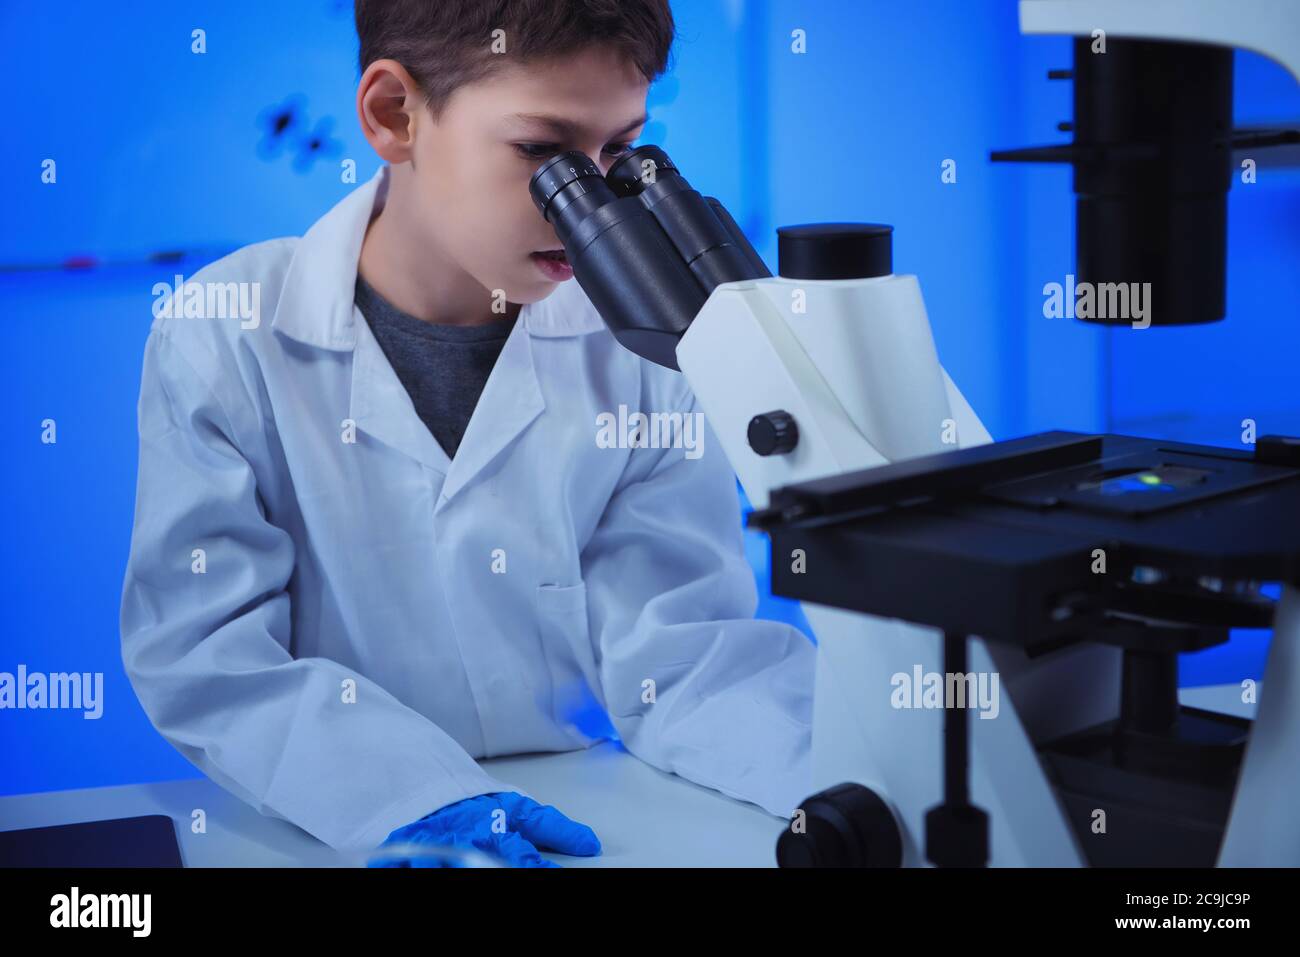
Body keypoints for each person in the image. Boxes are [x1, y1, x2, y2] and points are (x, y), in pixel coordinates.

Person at [119, 0, 813, 866]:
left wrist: (857, 774)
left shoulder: (639, 345)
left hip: (607, 821)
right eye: (541, 153)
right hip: (342, 828)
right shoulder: (224, 336)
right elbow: (210, 658)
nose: (585, 201)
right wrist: (407, 797)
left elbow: (685, 657)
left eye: (617, 153)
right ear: (393, 115)